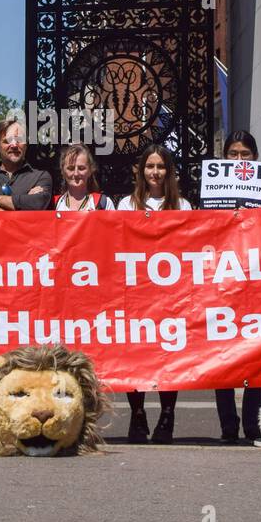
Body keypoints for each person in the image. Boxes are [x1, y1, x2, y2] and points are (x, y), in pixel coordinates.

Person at [117, 143, 191, 443]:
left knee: (169, 354)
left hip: (171, 293)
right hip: (136, 291)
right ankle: (137, 415)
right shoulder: (126, 205)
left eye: (161, 167)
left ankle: (167, 414)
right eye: (150, 166)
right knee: (134, 354)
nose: (155, 173)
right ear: (140, 170)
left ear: (169, 171)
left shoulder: (183, 206)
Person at [213, 129, 261, 444]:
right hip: (222, 283)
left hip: (256, 284)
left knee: (256, 352)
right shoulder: (212, 196)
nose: (238, 160)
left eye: (244, 155)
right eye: (232, 154)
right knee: (223, 353)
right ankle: (227, 425)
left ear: (255, 159)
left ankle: (252, 423)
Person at [0, 117, 53, 211]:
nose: (14, 145)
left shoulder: (40, 177)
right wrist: (23, 203)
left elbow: (38, 204)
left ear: (26, 145)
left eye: (19, 140)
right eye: (7, 141)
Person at [53, 142, 116, 210]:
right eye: (71, 168)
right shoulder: (53, 205)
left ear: (90, 171)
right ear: (62, 171)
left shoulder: (104, 203)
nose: (76, 173)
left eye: (81, 168)